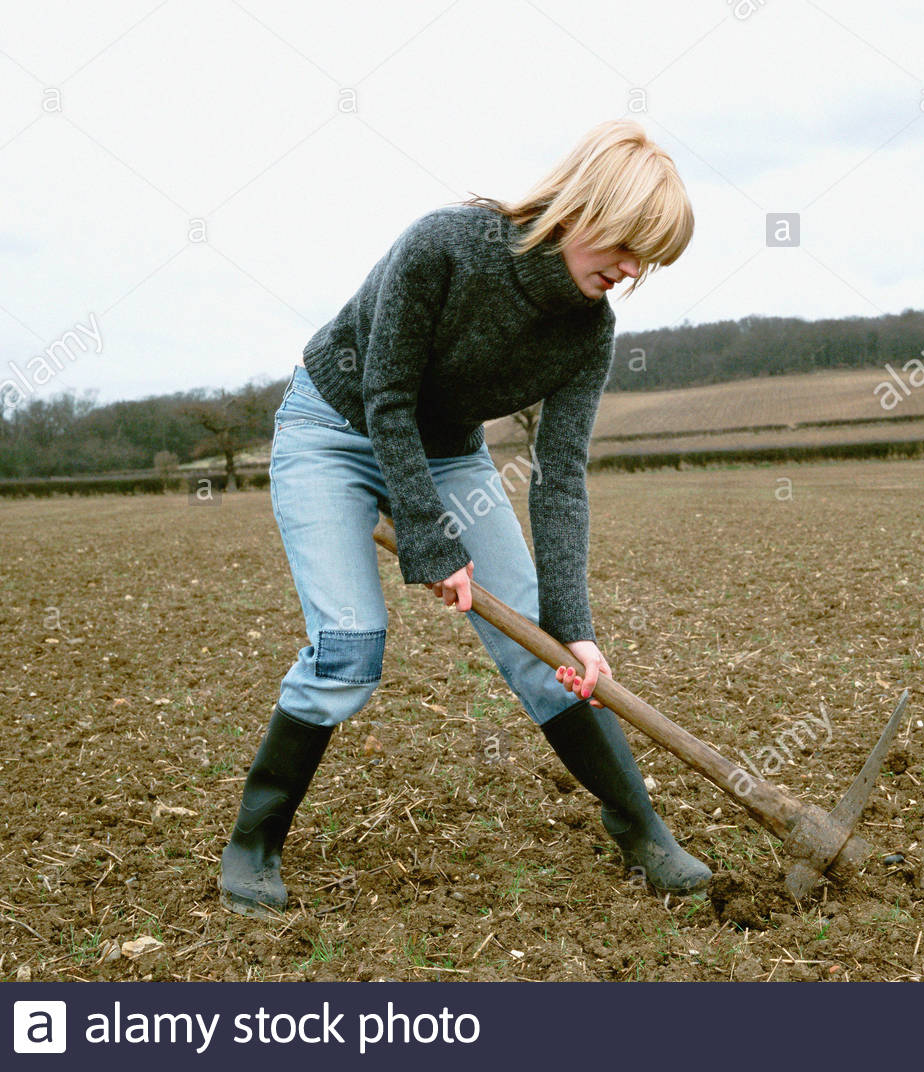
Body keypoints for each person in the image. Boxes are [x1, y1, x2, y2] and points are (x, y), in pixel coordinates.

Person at [219, 118, 713, 917]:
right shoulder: (447, 246)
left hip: (449, 454)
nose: (630, 271)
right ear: (583, 206)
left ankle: (643, 830)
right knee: (349, 646)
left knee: (543, 651)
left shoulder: (589, 333)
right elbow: (386, 395)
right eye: (627, 245)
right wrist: (428, 534)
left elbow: (560, 478)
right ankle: (254, 840)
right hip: (333, 429)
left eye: (647, 262)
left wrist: (574, 624)